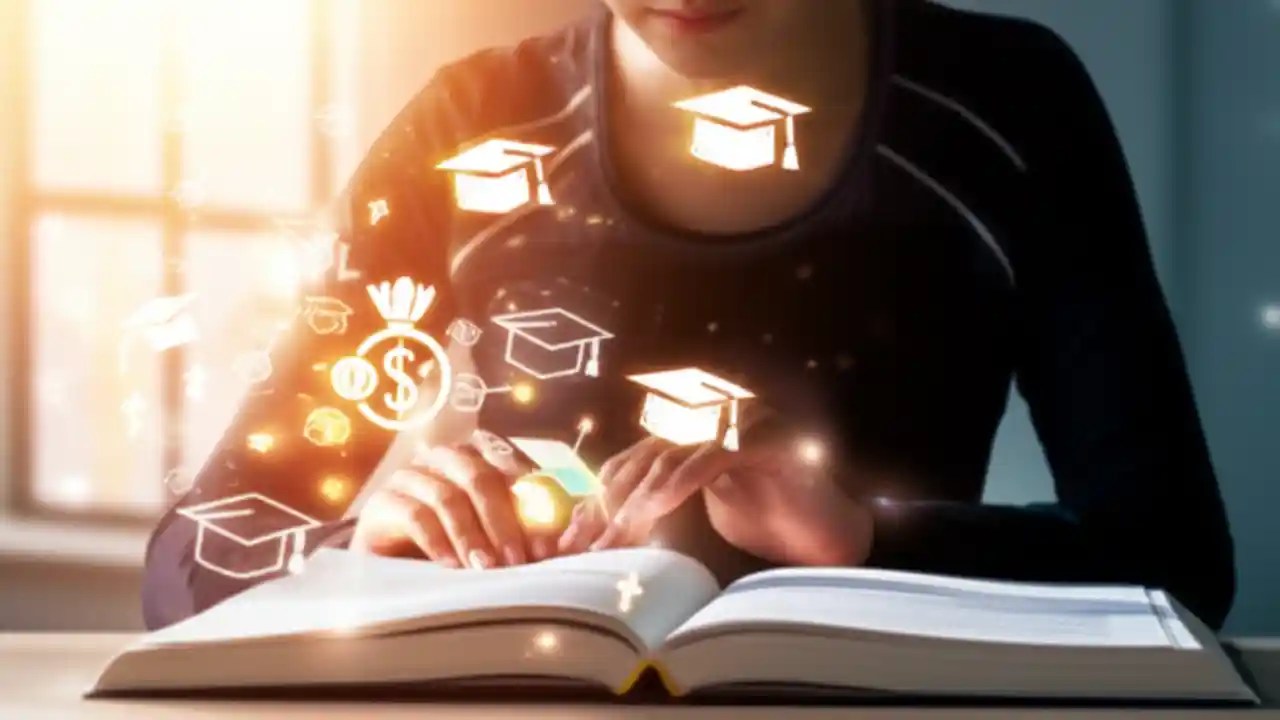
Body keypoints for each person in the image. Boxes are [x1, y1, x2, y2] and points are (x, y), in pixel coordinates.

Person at [143, 0, 1237, 631]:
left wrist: (865, 541)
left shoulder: (1008, 105)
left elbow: (1173, 560)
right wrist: (367, 552)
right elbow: (191, 562)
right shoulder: (465, 131)